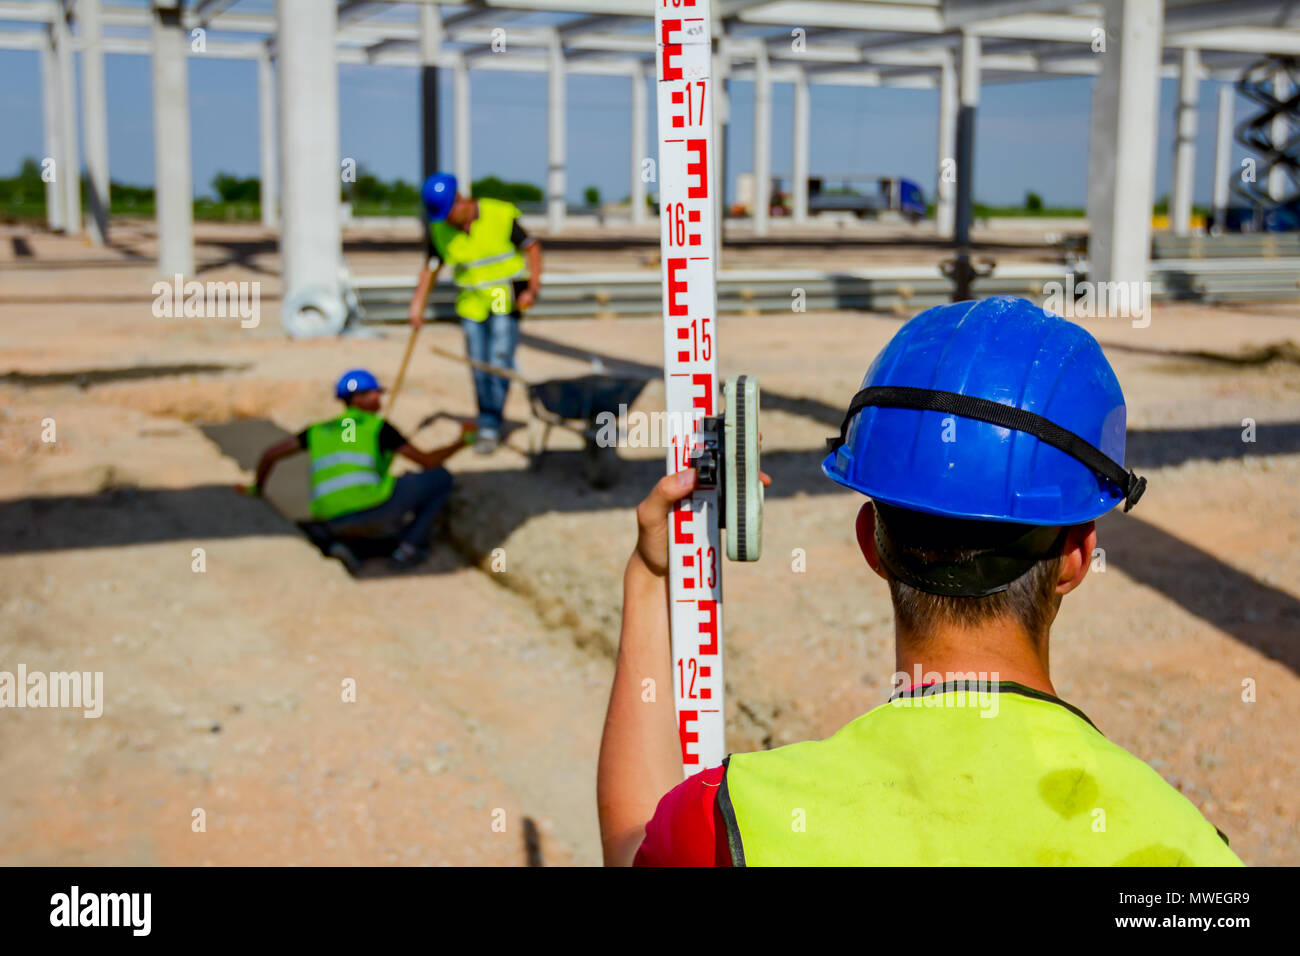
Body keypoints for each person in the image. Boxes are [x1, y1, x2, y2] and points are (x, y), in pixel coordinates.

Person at [597, 296, 1243, 867]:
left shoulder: (733, 822)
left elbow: (632, 842)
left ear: (870, 544)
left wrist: (650, 576)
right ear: (1077, 555)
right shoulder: (1185, 849)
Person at [237, 368, 471, 573]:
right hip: (370, 509)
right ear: (360, 398)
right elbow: (428, 461)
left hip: (329, 517)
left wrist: (257, 488)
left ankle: (343, 544)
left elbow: (271, 455)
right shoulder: (377, 427)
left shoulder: (318, 430)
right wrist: (463, 441)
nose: (379, 396)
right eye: (375, 392)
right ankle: (409, 548)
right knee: (439, 479)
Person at [408, 172, 543, 455]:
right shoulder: (440, 229)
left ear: (460, 200)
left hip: (502, 300)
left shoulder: (499, 214)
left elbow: (531, 247)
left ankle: (490, 423)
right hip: (471, 305)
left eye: (448, 212)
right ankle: (488, 419)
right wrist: (417, 304)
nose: (445, 220)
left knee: (498, 360)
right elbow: (431, 267)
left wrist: (532, 287)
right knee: (478, 366)